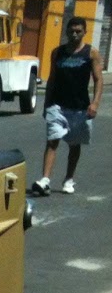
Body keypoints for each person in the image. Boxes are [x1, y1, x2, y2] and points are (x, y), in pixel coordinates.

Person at [32, 16, 103, 196]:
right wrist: (46, 104)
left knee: (74, 144)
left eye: (78, 31)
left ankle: (69, 179)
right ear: (66, 32)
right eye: (71, 31)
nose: (74, 34)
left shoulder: (91, 53)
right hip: (58, 106)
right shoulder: (58, 52)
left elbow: (98, 79)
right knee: (52, 141)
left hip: (80, 108)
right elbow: (53, 79)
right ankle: (45, 180)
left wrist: (95, 103)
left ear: (85, 32)